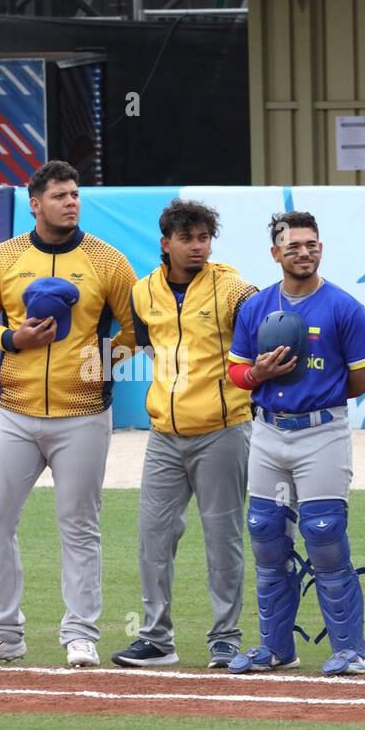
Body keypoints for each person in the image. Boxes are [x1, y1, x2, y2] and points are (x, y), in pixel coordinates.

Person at [0, 160, 137, 668]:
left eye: (75, 194)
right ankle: (2, 633)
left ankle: (80, 635)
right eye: (59, 196)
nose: (71, 202)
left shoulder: (108, 260)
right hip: (14, 413)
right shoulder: (2, 258)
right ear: (35, 204)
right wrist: (14, 339)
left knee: (79, 525)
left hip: (83, 415)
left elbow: (136, 329)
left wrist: (99, 365)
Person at [224, 211, 365, 676]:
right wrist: (259, 376)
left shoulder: (344, 307)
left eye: (311, 245)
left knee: (325, 532)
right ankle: (276, 649)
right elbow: (236, 371)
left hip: (322, 432)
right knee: (265, 533)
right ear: (276, 254)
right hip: (268, 430)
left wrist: (320, 395)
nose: (304, 253)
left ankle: (351, 649)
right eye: (293, 247)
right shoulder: (255, 307)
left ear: (321, 249)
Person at [110, 200, 258, 669]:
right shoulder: (143, 293)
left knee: (223, 538)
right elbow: (130, 343)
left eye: (204, 238)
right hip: (164, 436)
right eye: (188, 238)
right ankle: (156, 639)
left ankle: (225, 639)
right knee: (152, 537)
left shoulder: (234, 289)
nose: (198, 247)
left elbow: (268, 325)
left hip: (223, 431)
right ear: (165, 243)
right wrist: (79, 367)